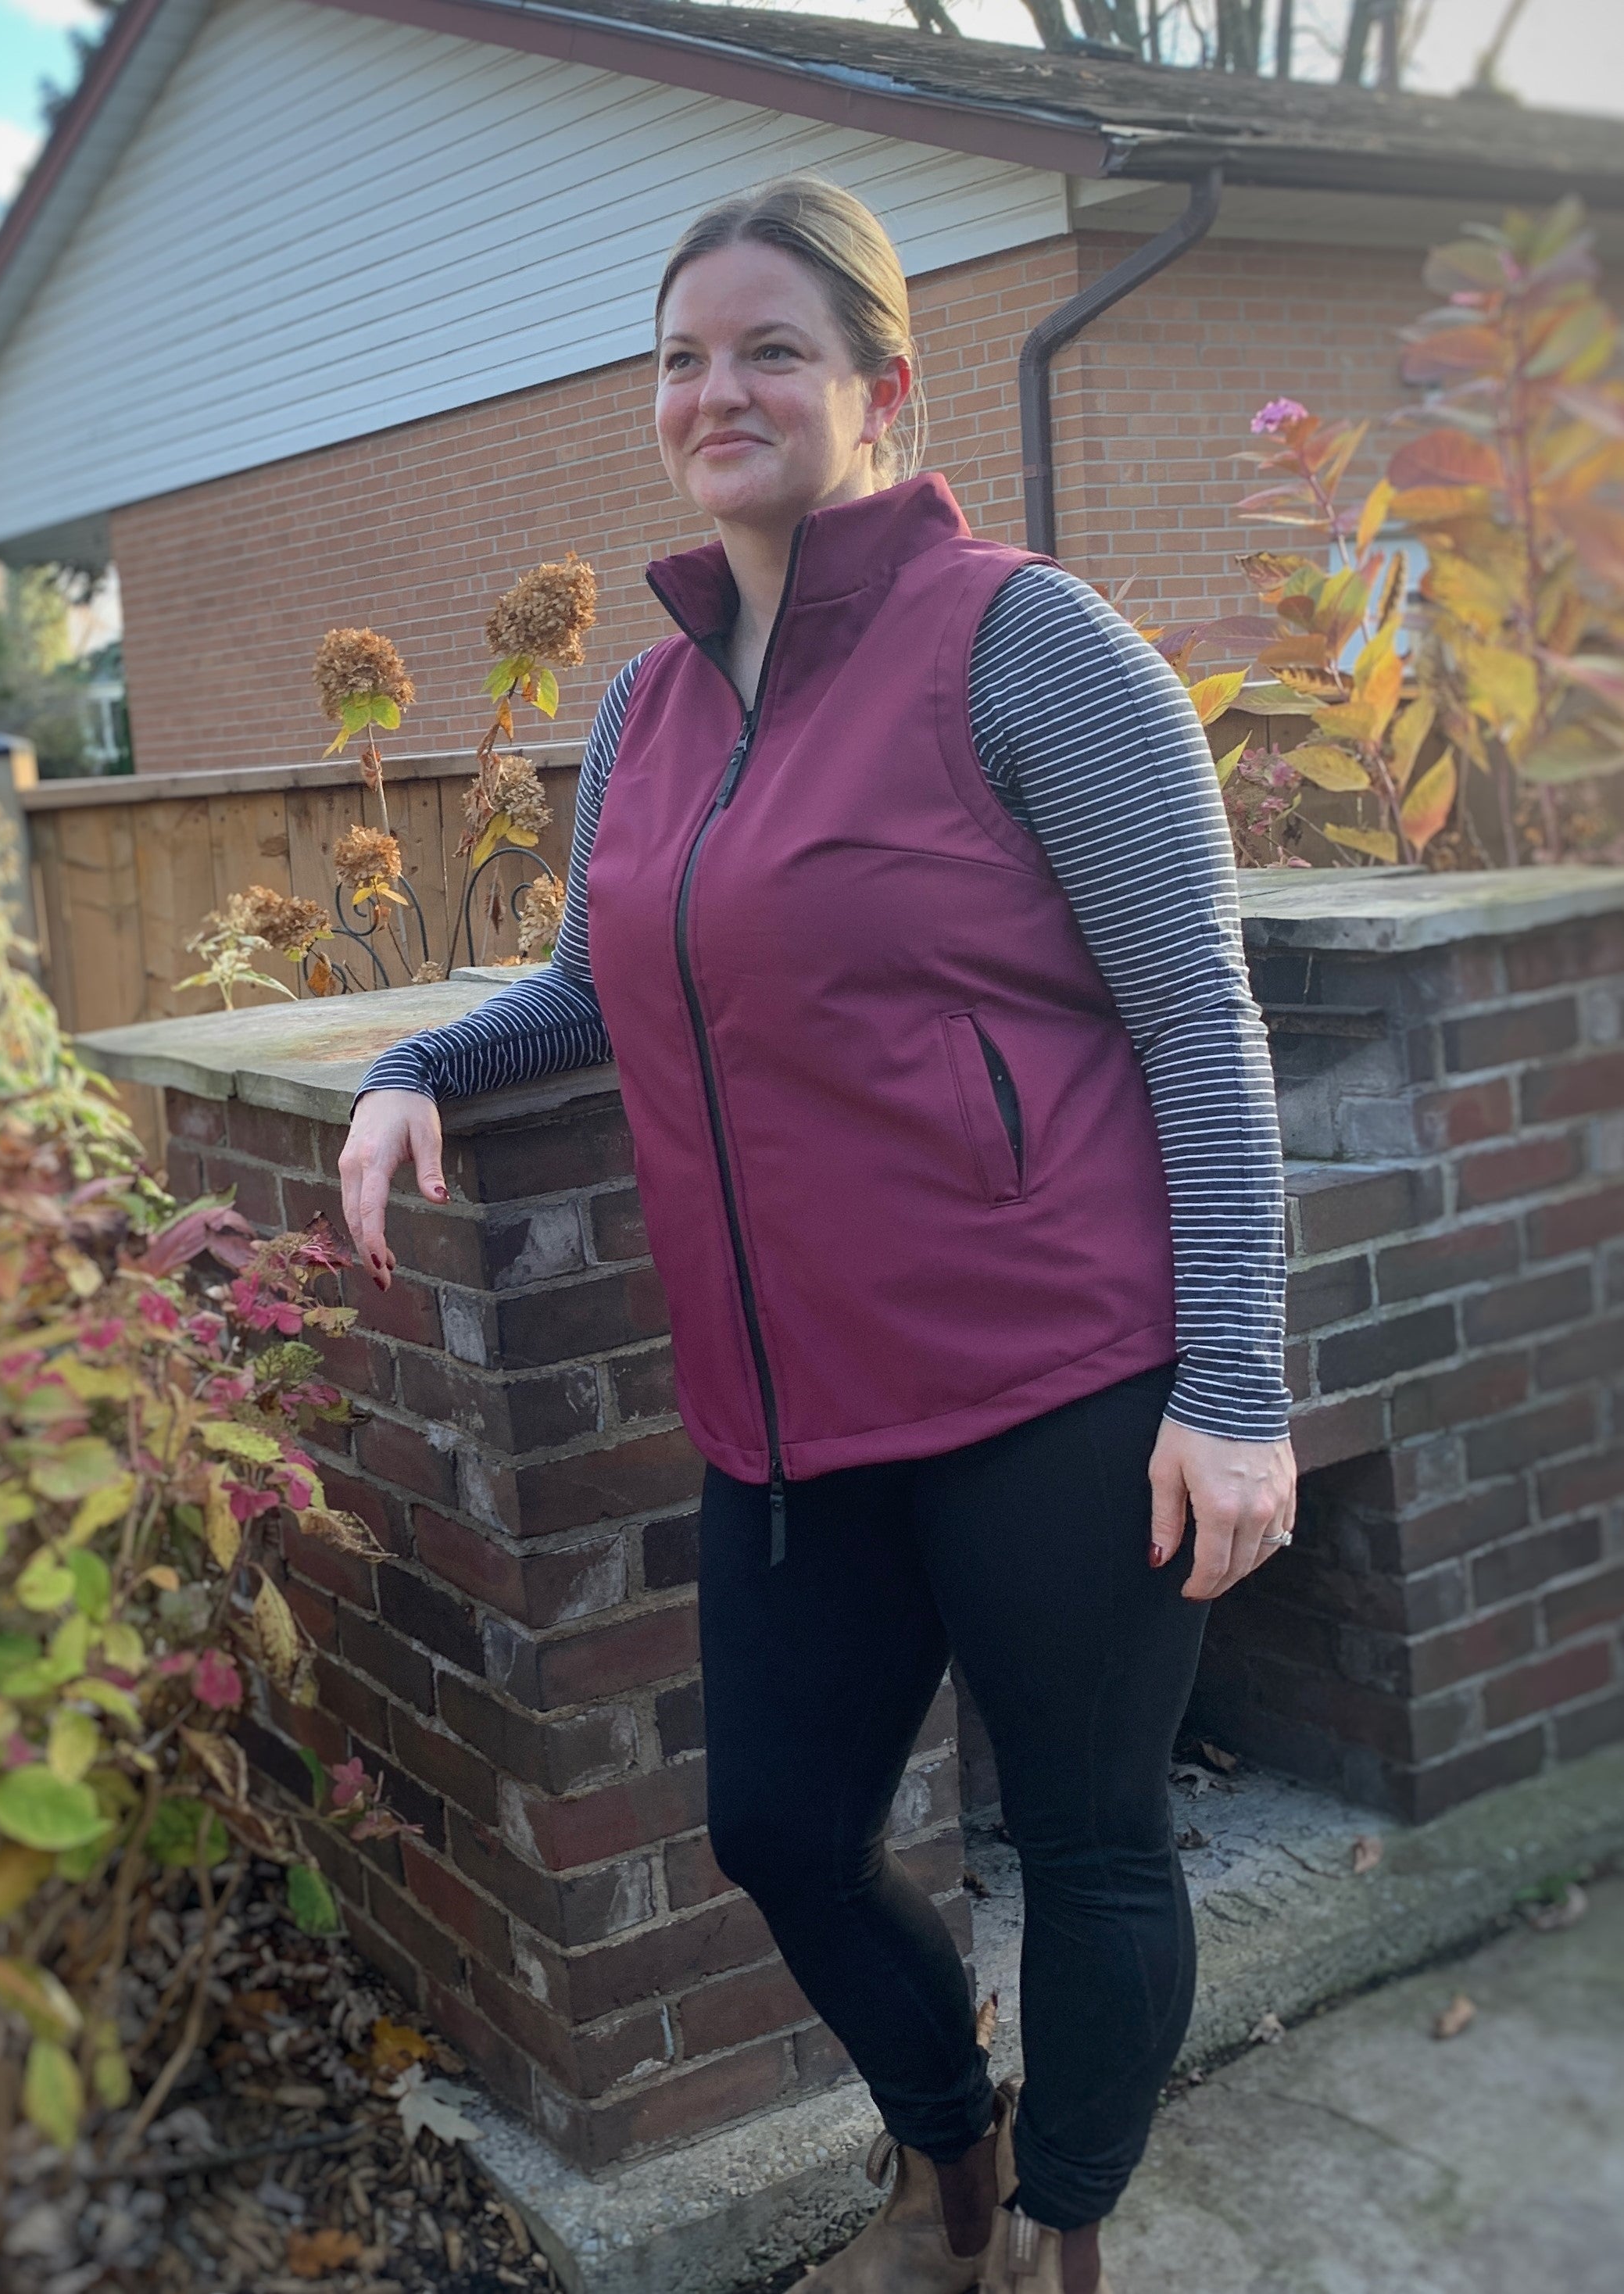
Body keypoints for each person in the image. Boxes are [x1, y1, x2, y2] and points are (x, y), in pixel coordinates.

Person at [338, 177, 1296, 2294]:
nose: (718, 391)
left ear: (882, 386)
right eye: (682, 357)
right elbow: (597, 984)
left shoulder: (1029, 644)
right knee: (776, 1830)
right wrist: (417, 1062)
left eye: (771, 349)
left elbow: (1197, 1020)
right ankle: (948, 2156)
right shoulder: (648, 705)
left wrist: (1233, 1385)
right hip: (782, 1418)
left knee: (1090, 1844)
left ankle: (1060, 2239)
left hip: (1063, 1381)